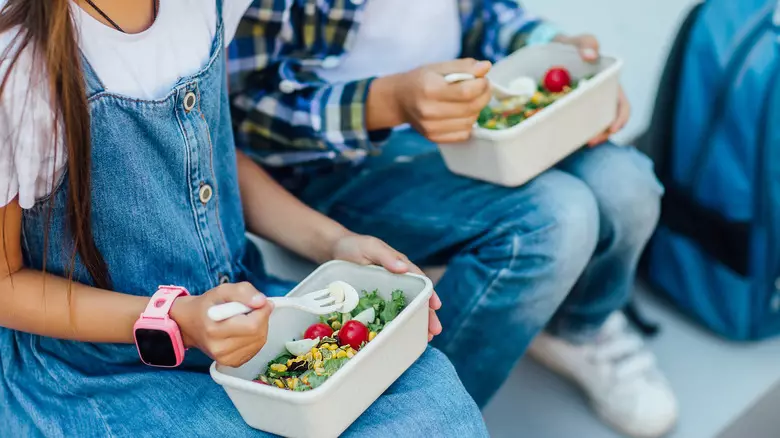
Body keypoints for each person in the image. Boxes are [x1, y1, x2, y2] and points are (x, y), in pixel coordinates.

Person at [0, 1, 490, 437]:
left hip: (249, 313)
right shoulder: (17, 63)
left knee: (437, 405)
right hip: (96, 371)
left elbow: (210, 156)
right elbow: (6, 284)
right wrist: (178, 322)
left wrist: (335, 243)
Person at [228, 1, 678, 437]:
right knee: (555, 218)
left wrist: (554, 48)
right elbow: (241, 117)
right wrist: (387, 102)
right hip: (338, 162)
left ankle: (578, 329)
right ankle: (415, 420)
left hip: (473, 121)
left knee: (626, 184)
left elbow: (483, 12)